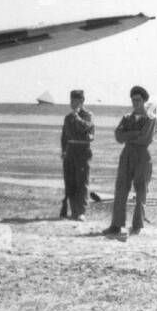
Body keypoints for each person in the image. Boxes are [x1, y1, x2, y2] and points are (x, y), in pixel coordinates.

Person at [103, 85, 157, 237]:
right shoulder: (127, 118)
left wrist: (128, 134)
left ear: (145, 101)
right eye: (133, 100)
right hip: (126, 154)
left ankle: (137, 225)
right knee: (121, 188)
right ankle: (116, 225)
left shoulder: (151, 119)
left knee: (141, 190)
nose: (135, 102)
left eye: (138, 100)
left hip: (142, 156)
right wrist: (134, 133)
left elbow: (145, 139)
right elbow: (118, 137)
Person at [59, 88, 95, 220]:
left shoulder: (87, 115)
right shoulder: (68, 118)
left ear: (82, 101)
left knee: (82, 182)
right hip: (70, 151)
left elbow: (86, 127)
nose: (72, 103)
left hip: (83, 151)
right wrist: (63, 150)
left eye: (75, 100)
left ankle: (81, 212)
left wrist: (76, 117)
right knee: (70, 182)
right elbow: (64, 136)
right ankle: (74, 211)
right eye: (71, 100)